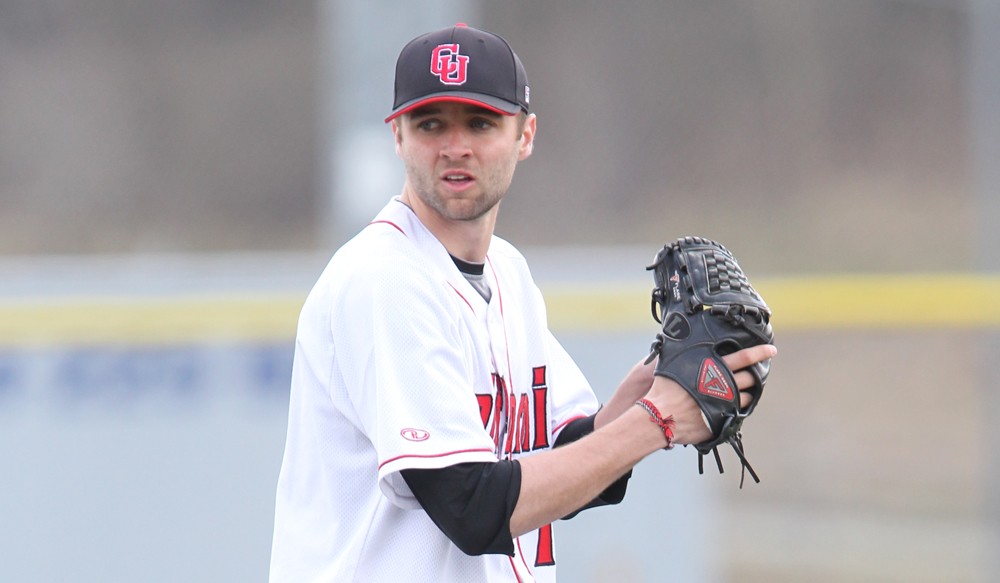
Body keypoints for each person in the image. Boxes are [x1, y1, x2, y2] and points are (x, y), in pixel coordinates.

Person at [269, 23, 776, 582]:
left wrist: (656, 383)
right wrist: (658, 419)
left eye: (480, 123)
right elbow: (472, 506)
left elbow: (572, 461)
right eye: (430, 124)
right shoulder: (383, 280)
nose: (454, 147)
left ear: (525, 134)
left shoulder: (507, 273)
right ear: (398, 135)